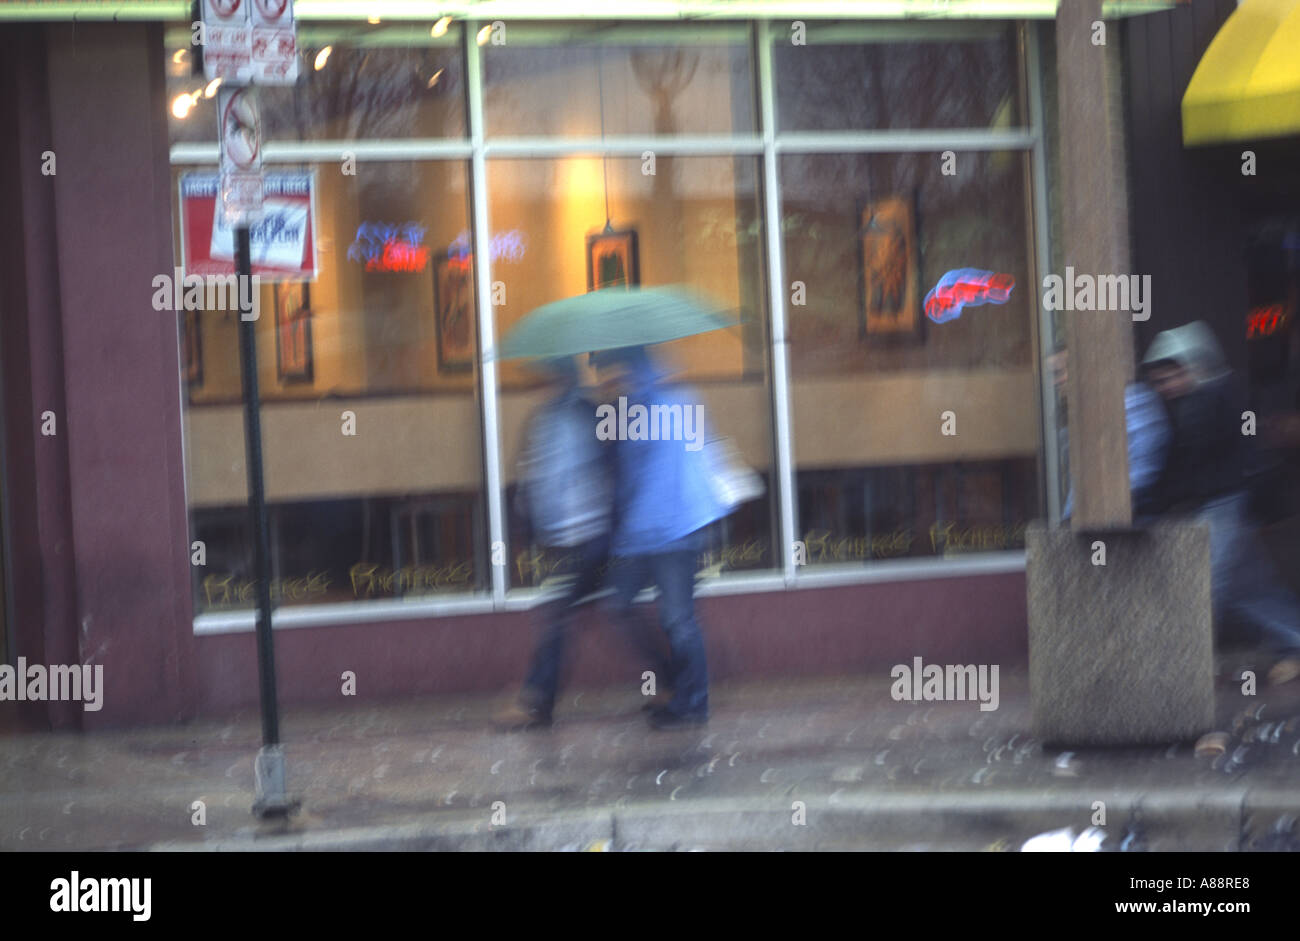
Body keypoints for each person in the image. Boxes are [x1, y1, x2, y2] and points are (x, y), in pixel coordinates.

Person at [494, 357, 668, 731]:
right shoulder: (544, 418)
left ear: (562, 377)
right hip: (568, 538)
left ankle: (537, 701)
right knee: (619, 611)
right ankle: (673, 679)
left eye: (547, 377)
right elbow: (536, 472)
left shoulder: (591, 415)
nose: (541, 384)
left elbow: (617, 468)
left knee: (557, 615)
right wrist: (530, 523)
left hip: (595, 535)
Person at [1140, 322, 1300, 685]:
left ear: (1192, 367)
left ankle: (1180, 667)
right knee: (1249, 588)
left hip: (1222, 505)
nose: (1164, 387)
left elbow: (1187, 460)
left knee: (1205, 584)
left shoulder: (1205, 401)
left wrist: (1157, 501)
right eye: (1159, 380)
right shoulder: (1211, 396)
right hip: (1226, 503)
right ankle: (1294, 643)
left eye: (1169, 377)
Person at [591, 345, 730, 730]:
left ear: (637, 371)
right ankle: (675, 684)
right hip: (647, 533)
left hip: (675, 530)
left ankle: (694, 702)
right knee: (620, 604)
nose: (611, 382)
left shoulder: (663, 408)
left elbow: (647, 477)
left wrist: (615, 431)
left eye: (617, 374)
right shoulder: (638, 409)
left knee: (678, 619)